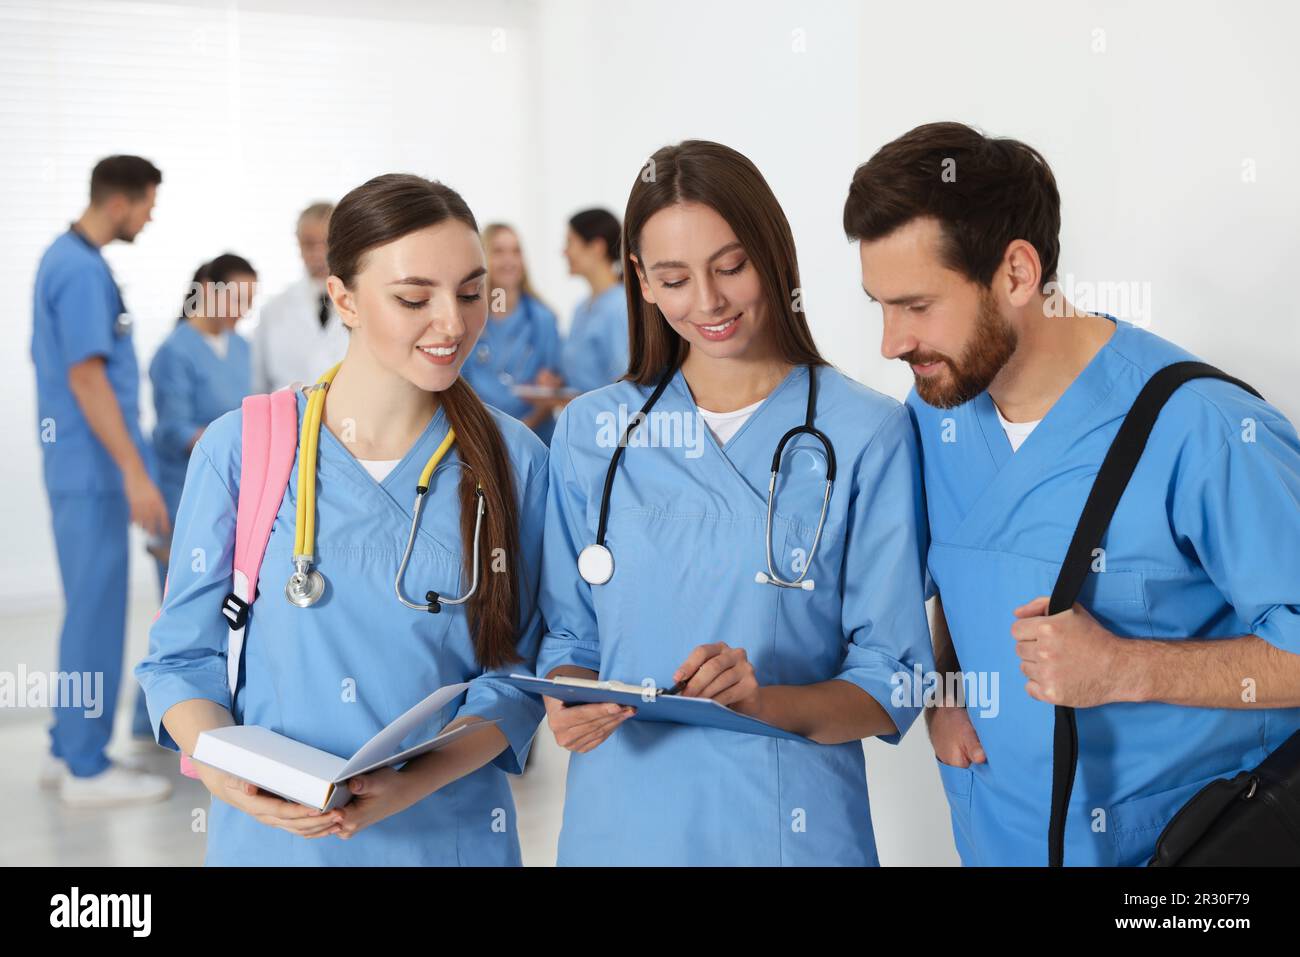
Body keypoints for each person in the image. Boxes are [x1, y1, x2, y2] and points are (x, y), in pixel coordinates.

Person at [844, 121, 1300, 866]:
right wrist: (945, 672)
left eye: (916, 305)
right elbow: (976, 555)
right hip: (998, 838)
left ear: (1017, 274)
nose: (890, 342)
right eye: (880, 305)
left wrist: (1127, 667)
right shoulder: (937, 413)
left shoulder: (1202, 429)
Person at [536, 140, 933, 865]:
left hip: (789, 827)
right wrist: (564, 696)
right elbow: (568, 639)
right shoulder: (592, 433)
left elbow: (893, 677)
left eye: (731, 266)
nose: (710, 302)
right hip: (619, 824)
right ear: (642, 282)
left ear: (775, 254)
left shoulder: (867, 432)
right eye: (675, 278)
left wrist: (762, 702)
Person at [136, 173, 548, 865]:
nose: (452, 322)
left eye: (472, 293)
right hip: (274, 845)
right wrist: (223, 772)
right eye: (414, 297)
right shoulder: (243, 448)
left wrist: (408, 783)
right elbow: (181, 659)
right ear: (344, 299)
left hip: (447, 840)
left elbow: (519, 676)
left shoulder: (517, 462)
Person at [30, 154, 173, 806]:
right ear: (122, 202)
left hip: (79, 470)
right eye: (148, 204)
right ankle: (88, 767)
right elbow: (87, 378)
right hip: (93, 472)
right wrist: (135, 473)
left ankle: (68, 747)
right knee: (96, 611)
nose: (150, 217)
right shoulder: (81, 270)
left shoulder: (70, 261)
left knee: (85, 608)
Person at [148, 253, 257, 585]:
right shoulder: (175, 351)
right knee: (186, 593)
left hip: (235, 488)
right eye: (237, 299)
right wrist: (234, 439)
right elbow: (172, 431)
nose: (243, 310)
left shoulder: (242, 347)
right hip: (185, 491)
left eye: (249, 302)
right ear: (208, 290)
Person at [460, 223, 563, 443]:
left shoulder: (542, 319)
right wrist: (488, 434)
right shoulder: (466, 319)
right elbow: (460, 386)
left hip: (535, 438)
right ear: (482, 259)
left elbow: (551, 389)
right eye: (498, 251)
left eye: (516, 251)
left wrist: (521, 431)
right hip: (481, 437)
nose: (509, 260)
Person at [251, 202, 348, 392]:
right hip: (288, 418)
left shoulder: (361, 302)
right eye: (309, 244)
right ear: (298, 243)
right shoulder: (272, 310)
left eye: (327, 243)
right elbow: (258, 388)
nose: (319, 254)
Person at [552, 208, 629, 396]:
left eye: (570, 242)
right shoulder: (581, 308)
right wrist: (558, 382)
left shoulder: (621, 308)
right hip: (583, 418)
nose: (564, 252)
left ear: (596, 248)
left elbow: (624, 384)